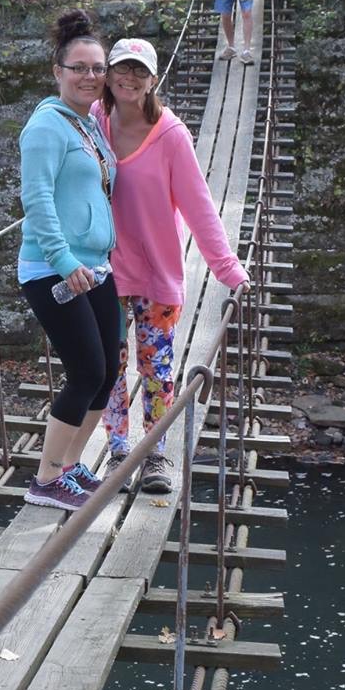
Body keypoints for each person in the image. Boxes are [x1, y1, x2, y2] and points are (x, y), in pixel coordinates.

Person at [96, 37, 249, 493]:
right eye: (121, 69)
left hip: (158, 274)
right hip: (104, 270)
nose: (129, 78)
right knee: (108, 366)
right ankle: (119, 451)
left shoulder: (171, 136)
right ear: (108, 74)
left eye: (139, 72)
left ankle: (155, 456)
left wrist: (228, 270)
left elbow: (200, 208)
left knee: (156, 371)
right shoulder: (90, 125)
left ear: (153, 81)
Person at [17, 9, 123, 512]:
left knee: (107, 371)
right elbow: (36, 201)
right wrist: (62, 259)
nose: (90, 76)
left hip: (96, 266)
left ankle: (70, 465)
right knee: (85, 370)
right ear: (57, 71)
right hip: (54, 269)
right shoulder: (46, 127)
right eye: (78, 67)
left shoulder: (88, 125)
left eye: (98, 68)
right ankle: (44, 480)